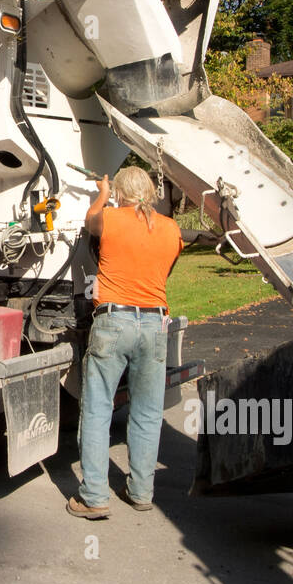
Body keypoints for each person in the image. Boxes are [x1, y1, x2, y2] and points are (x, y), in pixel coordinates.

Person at [67, 165, 195, 520]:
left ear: (121, 194)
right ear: (152, 194)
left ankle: (94, 496)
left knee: (97, 408)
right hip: (154, 324)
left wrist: (103, 194)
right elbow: (163, 269)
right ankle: (140, 491)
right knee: (147, 412)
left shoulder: (110, 218)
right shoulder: (171, 229)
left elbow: (89, 221)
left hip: (114, 322)